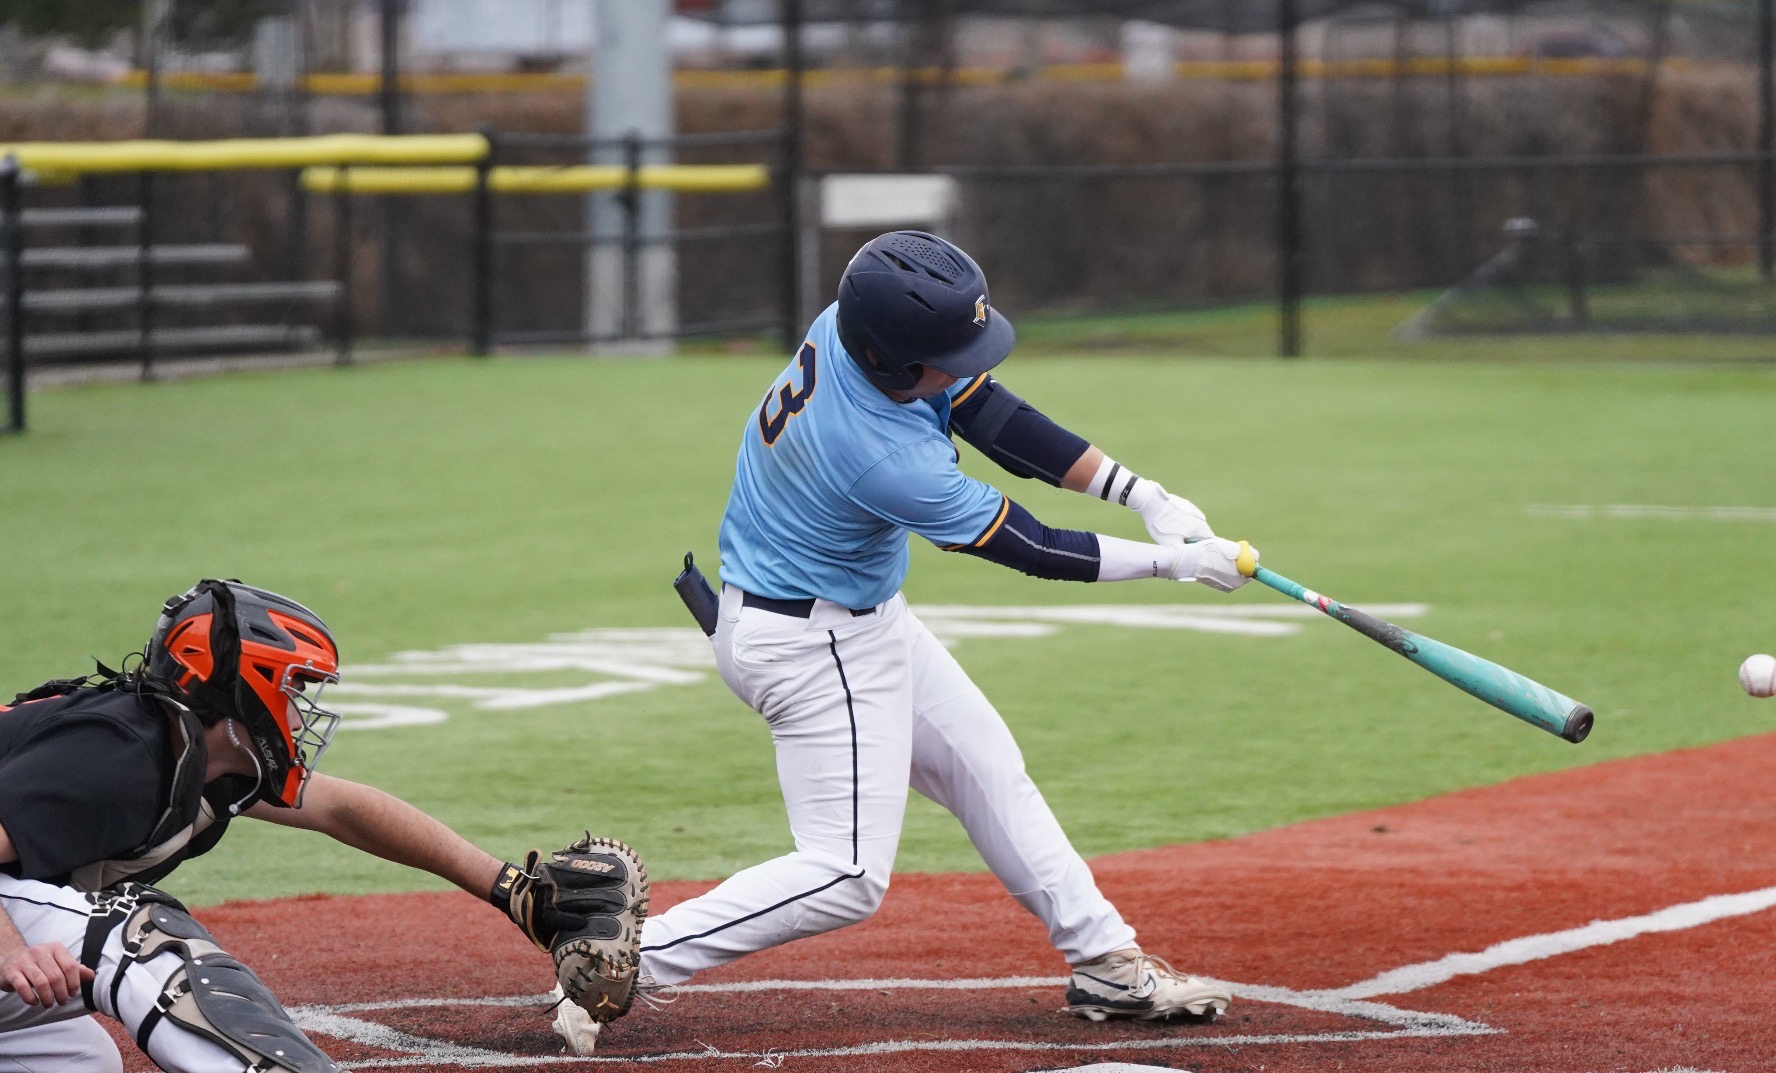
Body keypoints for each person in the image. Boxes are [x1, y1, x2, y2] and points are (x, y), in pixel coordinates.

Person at [557, 231, 1252, 1054]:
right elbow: (1030, 547)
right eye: (946, 354)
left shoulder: (852, 324)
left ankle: (1105, 959)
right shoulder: (880, 454)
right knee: (847, 873)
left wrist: (1141, 492)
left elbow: (993, 412)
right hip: (814, 648)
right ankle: (623, 958)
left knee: (988, 767)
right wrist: (1173, 562)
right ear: (891, 360)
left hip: (842, 617)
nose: (962, 366)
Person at [0, 579, 638, 1073]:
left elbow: (342, 810)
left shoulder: (198, 761)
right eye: (293, 687)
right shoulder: (119, 756)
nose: (303, 714)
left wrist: (509, 889)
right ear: (240, 688)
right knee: (142, 939)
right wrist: (12, 950)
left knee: (78, 1060)